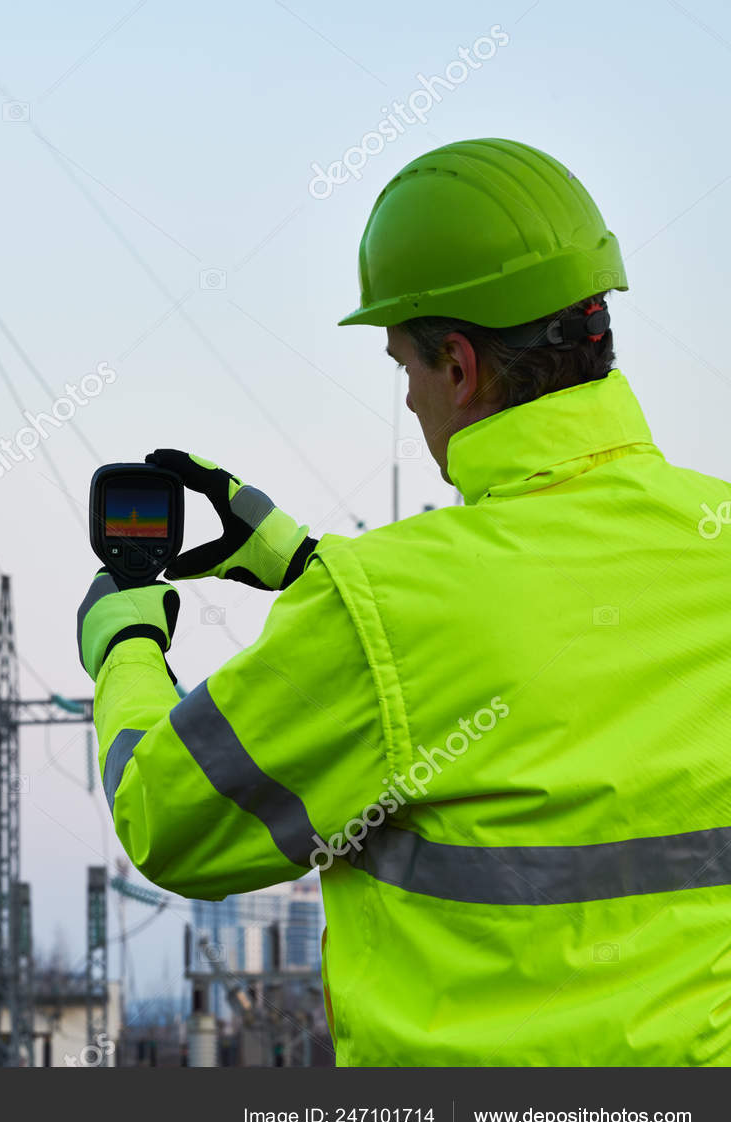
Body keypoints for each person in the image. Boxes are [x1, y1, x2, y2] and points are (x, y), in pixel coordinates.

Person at [76, 138, 731, 1065]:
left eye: (405, 369)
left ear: (458, 366)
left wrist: (125, 641)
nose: (413, 399)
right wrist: (307, 568)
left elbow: (168, 818)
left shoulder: (381, 605)